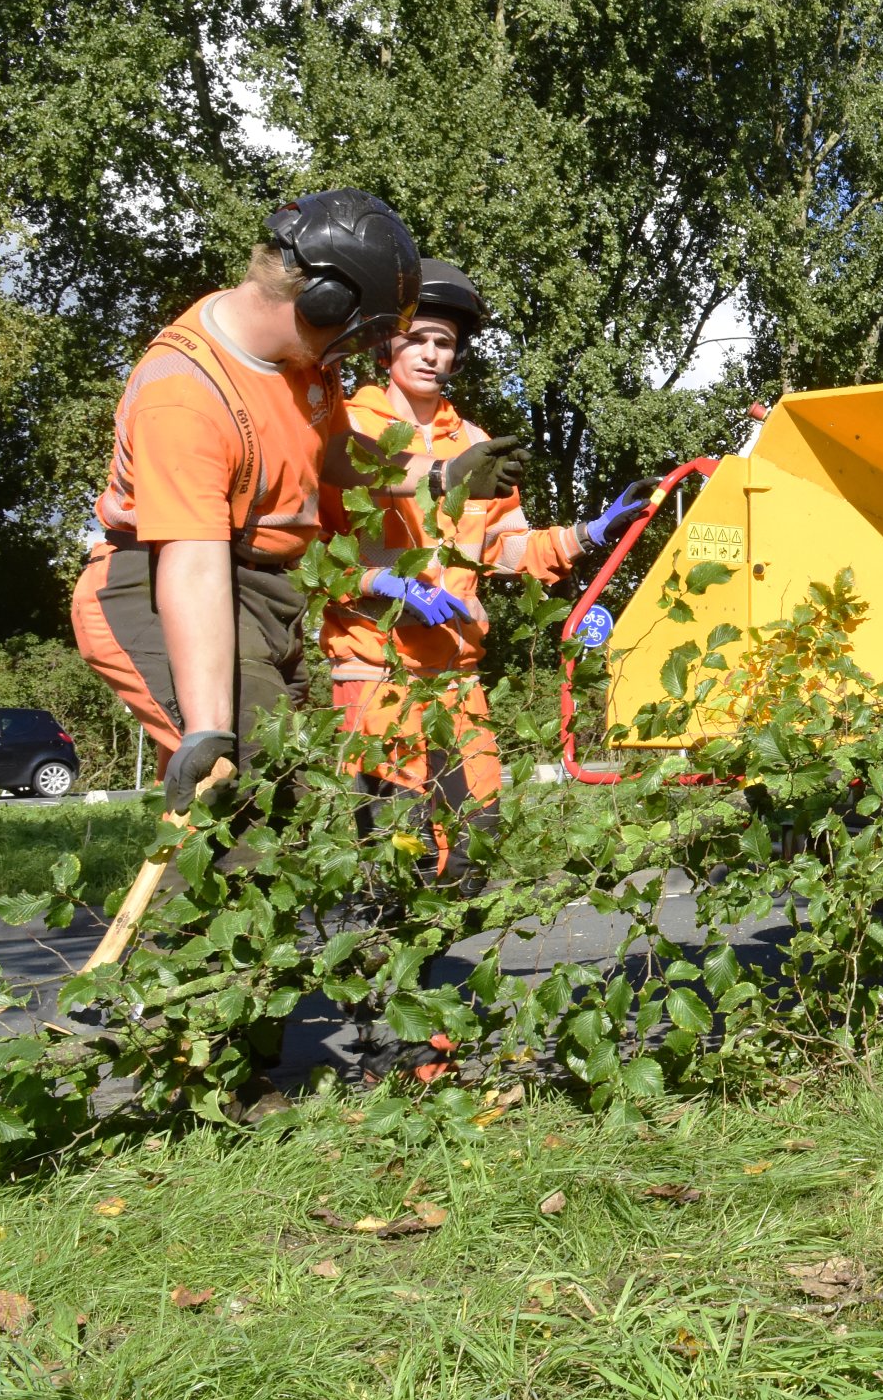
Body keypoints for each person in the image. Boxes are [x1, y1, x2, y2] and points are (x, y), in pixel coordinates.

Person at [69, 191, 485, 815]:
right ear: (326, 301)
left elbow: (339, 452)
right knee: (249, 779)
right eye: (358, 332)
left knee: (259, 805)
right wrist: (210, 727)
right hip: (162, 584)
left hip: (261, 592)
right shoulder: (185, 397)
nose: (352, 353)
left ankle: (199, 906)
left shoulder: (301, 357)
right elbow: (193, 561)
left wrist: (442, 472)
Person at [320, 259, 655, 888]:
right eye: (415, 337)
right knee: (397, 857)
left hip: (456, 673)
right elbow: (312, 558)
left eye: (443, 343)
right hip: (377, 669)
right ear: (385, 341)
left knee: (474, 854)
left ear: (458, 355)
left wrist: (590, 533)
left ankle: (426, 977)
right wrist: (383, 587)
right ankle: (367, 981)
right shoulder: (347, 431)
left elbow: (504, 552)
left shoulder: (474, 440)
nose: (429, 354)